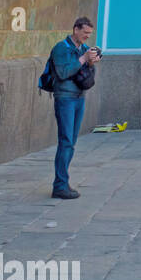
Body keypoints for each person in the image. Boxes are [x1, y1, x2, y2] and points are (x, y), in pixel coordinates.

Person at [48, 16, 99, 198]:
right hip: (65, 98)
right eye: (85, 32)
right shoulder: (61, 48)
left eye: (89, 34)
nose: (87, 36)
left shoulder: (84, 49)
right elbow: (63, 72)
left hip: (79, 98)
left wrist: (91, 63)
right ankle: (60, 185)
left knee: (72, 142)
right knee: (66, 141)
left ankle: (63, 182)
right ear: (75, 29)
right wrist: (83, 59)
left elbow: (88, 78)